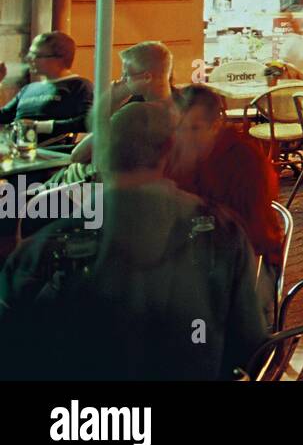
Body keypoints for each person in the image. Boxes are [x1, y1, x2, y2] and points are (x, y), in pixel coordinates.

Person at [0, 102, 268, 379]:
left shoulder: (45, 247)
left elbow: (10, 347)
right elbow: (250, 345)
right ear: (170, 151)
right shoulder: (220, 232)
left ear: (101, 154)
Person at [167, 85, 283, 321]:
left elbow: (245, 230)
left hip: (251, 260)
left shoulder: (243, 159)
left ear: (216, 126)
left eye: (194, 128)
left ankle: (251, 355)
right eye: (179, 127)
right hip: (194, 259)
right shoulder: (174, 154)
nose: (184, 135)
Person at [69, 40, 180, 168]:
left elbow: (78, 155)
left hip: (94, 185)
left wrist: (111, 101)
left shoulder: (134, 113)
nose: (121, 80)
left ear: (147, 77)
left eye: (126, 75)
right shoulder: (180, 105)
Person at [0, 32, 93, 147]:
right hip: (19, 155)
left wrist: (39, 126)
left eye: (36, 55)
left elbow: (87, 121)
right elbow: (3, 117)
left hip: (52, 156)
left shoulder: (79, 86)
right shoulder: (28, 89)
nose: (28, 59)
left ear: (58, 58)